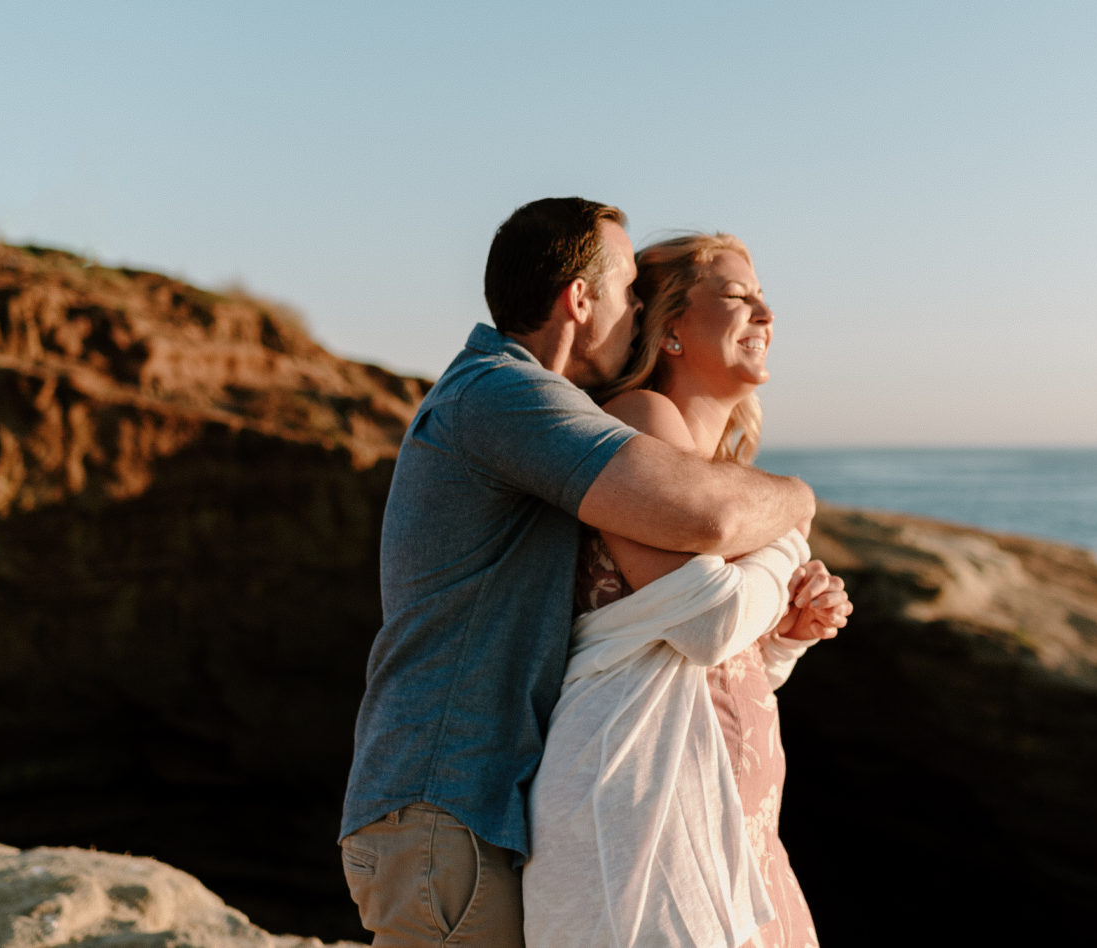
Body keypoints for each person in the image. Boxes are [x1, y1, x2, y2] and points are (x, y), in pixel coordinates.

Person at [340, 199, 818, 947]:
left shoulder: (521, 401)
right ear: (579, 299)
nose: (638, 308)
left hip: (466, 808)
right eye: (629, 290)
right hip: (446, 808)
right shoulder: (503, 396)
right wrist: (798, 511)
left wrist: (784, 633)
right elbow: (707, 521)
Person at [523, 233, 850, 948]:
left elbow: (717, 668)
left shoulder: (721, 471)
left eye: (762, 296)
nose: (765, 313)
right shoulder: (639, 420)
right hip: (644, 821)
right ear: (670, 326)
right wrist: (792, 528)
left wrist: (785, 638)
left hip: (732, 833)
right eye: (736, 295)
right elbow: (710, 623)